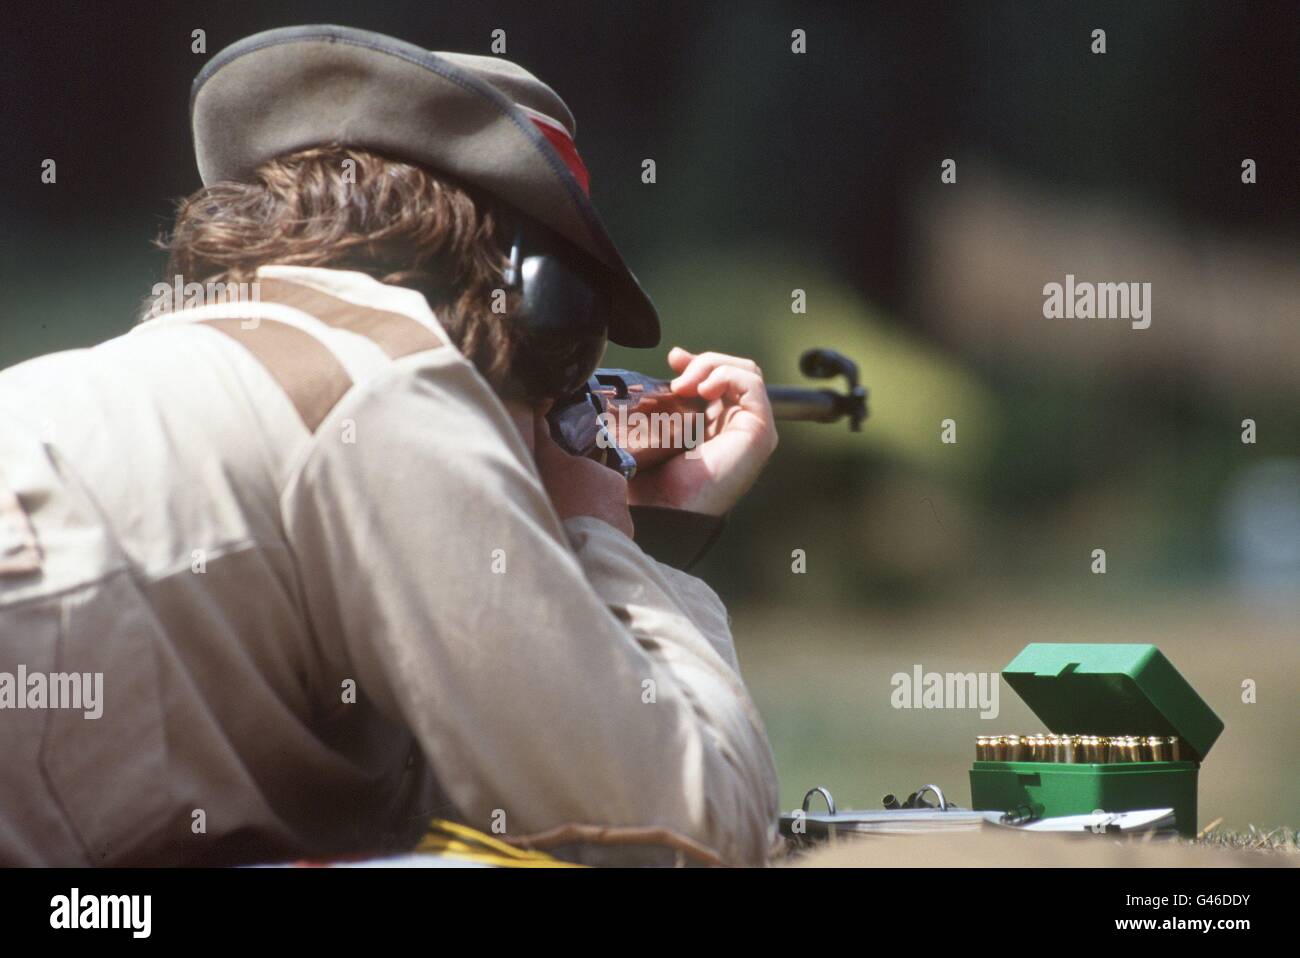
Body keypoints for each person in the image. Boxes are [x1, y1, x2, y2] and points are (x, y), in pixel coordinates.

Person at [0, 25, 779, 866]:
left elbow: (434, 802)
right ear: (544, 299)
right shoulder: (392, 387)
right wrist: (619, 539)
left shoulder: (189, 379)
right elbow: (687, 828)